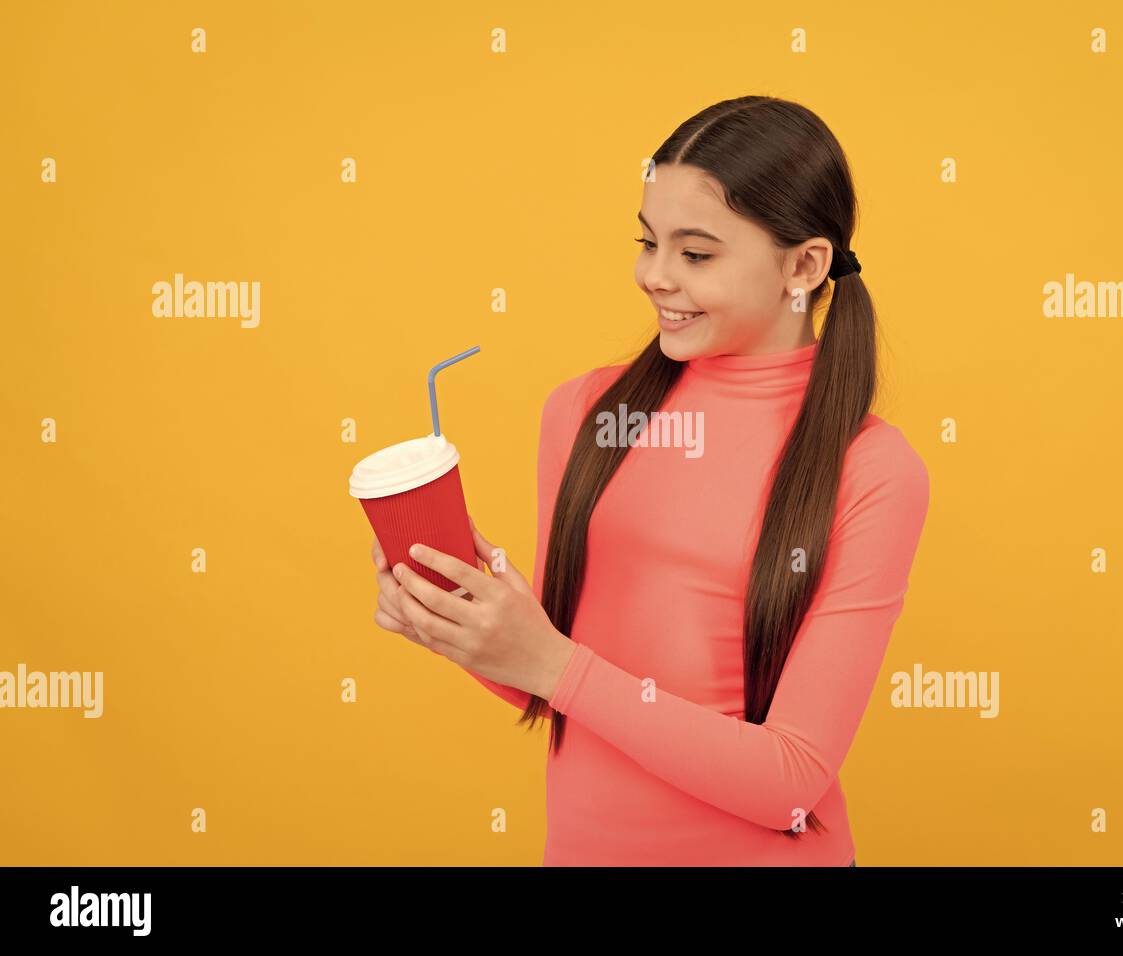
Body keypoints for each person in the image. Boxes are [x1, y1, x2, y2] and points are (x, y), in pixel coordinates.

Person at [372, 95, 930, 866]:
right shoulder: (587, 413)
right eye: (647, 242)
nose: (653, 276)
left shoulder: (870, 469)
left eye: (695, 254)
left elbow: (790, 780)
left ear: (804, 266)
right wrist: (467, 626)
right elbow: (561, 687)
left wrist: (549, 662)